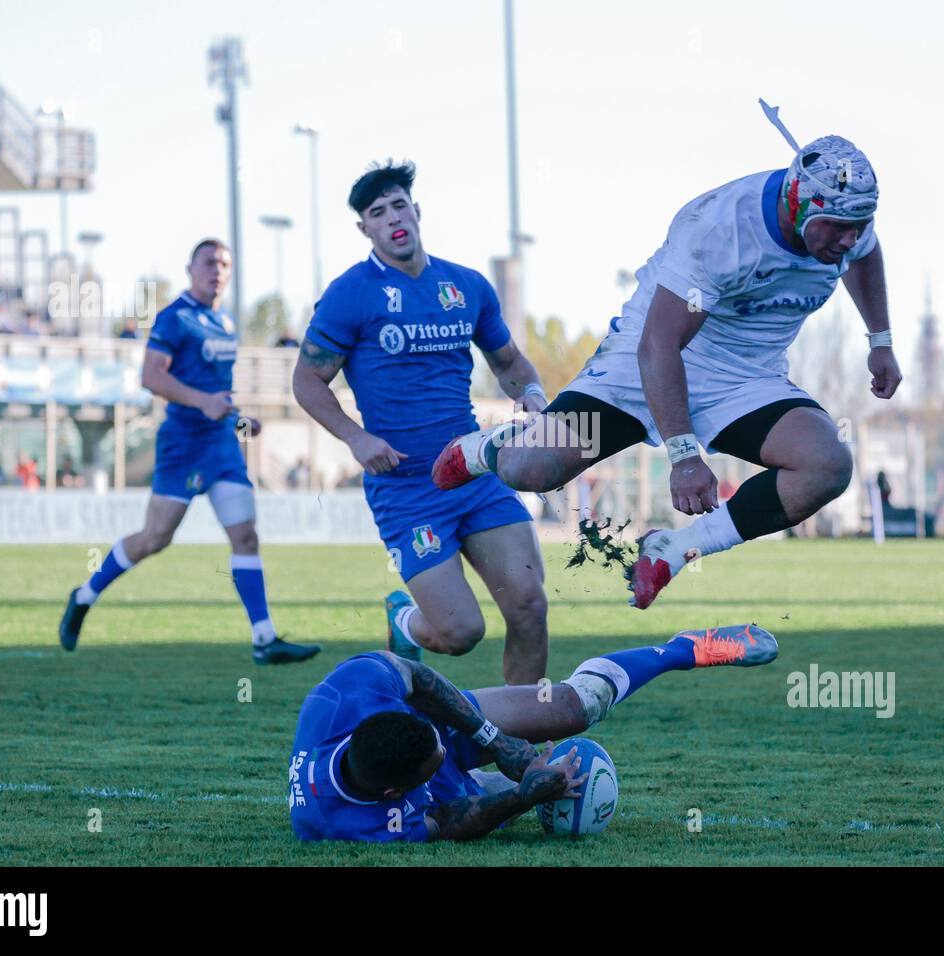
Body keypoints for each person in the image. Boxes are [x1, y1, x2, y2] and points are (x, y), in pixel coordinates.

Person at [434, 115, 900, 609]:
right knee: (531, 468)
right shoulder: (721, 230)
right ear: (798, 203)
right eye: (841, 229)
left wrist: (881, 339)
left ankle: (673, 550)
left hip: (744, 379)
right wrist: (683, 458)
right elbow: (660, 345)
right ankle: (499, 443)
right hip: (647, 363)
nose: (850, 241)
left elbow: (866, 255)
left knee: (827, 465)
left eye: (859, 227)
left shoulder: (843, 225)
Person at [293, 161, 551, 683]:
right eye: (376, 212)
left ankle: (523, 744)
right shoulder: (351, 293)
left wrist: (535, 397)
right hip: (406, 488)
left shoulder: (466, 285)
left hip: (474, 472)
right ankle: (406, 623)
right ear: (364, 228)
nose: (392, 217)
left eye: (398, 205)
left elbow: (510, 365)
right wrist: (356, 438)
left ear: (416, 212)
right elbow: (306, 382)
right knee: (460, 634)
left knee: (529, 605)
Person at [59, 238, 320, 665]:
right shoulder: (174, 318)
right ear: (190, 268)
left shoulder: (228, 323)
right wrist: (202, 402)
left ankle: (263, 637)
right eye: (208, 262)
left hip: (220, 445)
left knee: (245, 535)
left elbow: (219, 397)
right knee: (155, 538)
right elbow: (150, 377)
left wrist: (240, 421)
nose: (216, 269)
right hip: (181, 445)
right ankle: (85, 594)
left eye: (223, 263)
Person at [289, 622, 778, 843]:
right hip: (438, 790)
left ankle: (686, 648)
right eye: (435, 762)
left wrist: (493, 740)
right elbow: (450, 822)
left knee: (573, 706)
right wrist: (523, 796)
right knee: (551, 785)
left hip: (429, 728)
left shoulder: (341, 701)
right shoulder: (345, 829)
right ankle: (515, 784)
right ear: (396, 793)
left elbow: (417, 677)